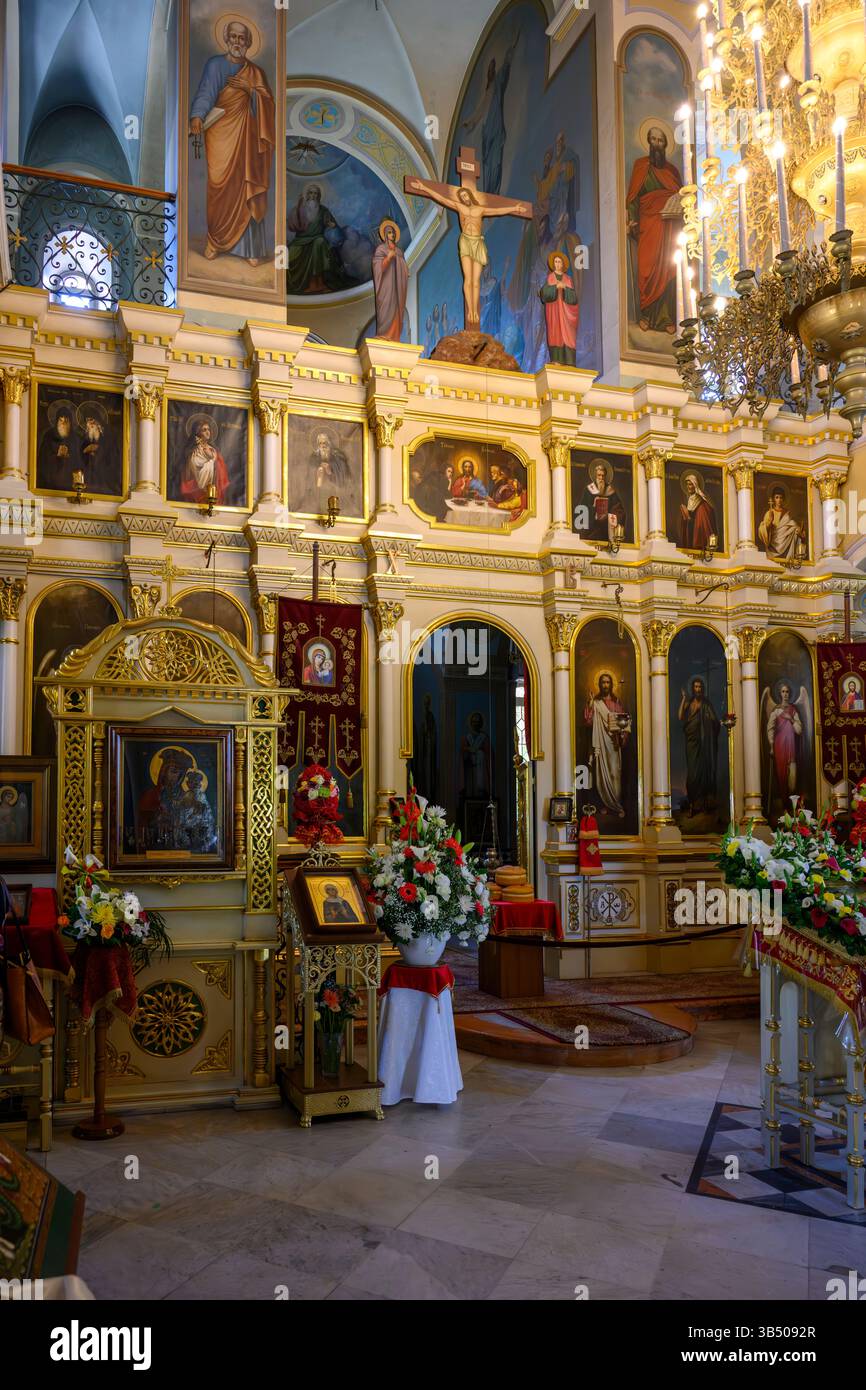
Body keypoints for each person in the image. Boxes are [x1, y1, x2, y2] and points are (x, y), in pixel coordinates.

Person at [188, 18, 275, 267]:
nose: (237, 41)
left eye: (242, 38)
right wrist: (197, 116)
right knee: (219, 185)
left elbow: (268, 106)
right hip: (220, 134)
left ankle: (250, 249)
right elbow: (206, 91)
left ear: (248, 42)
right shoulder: (215, 65)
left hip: (247, 137)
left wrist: (251, 89)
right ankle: (215, 241)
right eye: (234, 37)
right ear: (227, 39)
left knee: (246, 184)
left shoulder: (255, 73)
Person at [625, 126, 683, 334]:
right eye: (653, 140)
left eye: (660, 140)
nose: (657, 144)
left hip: (671, 227)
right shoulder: (641, 166)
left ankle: (668, 318)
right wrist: (631, 219)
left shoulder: (672, 171)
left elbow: (683, 197)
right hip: (649, 225)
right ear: (649, 142)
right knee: (647, 269)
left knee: (669, 268)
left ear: (665, 144)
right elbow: (633, 197)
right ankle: (647, 316)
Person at [461, 28, 520, 195]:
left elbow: (507, 64)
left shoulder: (498, 83)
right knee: (487, 162)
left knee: (495, 160)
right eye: (490, 69)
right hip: (488, 132)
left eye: (493, 68)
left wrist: (512, 46)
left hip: (496, 127)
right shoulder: (487, 93)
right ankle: (488, 191)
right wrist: (469, 122)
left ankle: (493, 190)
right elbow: (479, 112)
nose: (491, 71)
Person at [286, 184, 347, 293]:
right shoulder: (299, 209)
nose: (313, 196)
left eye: (315, 193)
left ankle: (316, 283)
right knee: (288, 256)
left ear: (319, 196)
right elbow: (291, 225)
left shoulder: (323, 211)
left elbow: (335, 228)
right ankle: (288, 284)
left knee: (319, 242)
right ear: (307, 195)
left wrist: (333, 226)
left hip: (317, 239)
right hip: (300, 240)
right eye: (311, 193)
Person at [584, 674, 629, 818]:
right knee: (602, 775)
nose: (605, 685)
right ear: (599, 684)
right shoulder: (596, 703)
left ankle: (616, 804)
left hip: (614, 743)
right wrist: (590, 704)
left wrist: (622, 735)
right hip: (601, 743)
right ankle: (606, 805)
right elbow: (589, 722)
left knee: (615, 774)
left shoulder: (617, 703)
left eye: (608, 682)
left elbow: (624, 722)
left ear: (611, 685)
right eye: (603, 682)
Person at [678, 677, 720, 816]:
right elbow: (680, 717)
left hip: (704, 743)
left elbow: (714, 721)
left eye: (700, 687)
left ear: (702, 688)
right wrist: (684, 698)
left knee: (703, 772)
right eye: (695, 687)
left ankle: (701, 804)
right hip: (692, 742)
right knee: (693, 774)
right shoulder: (689, 703)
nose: (698, 689)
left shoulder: (706, 704)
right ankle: (692, 803)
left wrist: (711, 722)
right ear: (692, 688)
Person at [765, 683, 806, 801]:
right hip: (779, 746)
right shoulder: (776, 710)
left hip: (791, 746)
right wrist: (771, 746)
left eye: (787, 691)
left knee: (792, 775)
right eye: (783, 691)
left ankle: (792, 802)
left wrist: (791, 719)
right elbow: (770, 728)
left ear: (789, 693)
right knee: (781, 774)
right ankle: (784, 803)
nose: (785, 694)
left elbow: (799, 730)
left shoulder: (793, 710)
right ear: (780, 693)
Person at [540, 250, 579, 366]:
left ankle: (569, 361)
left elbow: (574, 297)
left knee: (567, 334)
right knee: (555, 332)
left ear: (562, 264)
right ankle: (556, 359)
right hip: (554, 311)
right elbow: (544, 293)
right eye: (555, 262)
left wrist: (565, 289)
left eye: (559, 262)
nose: (557, 264)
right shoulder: (550, 278)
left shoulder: (567, 279)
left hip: (566, 312)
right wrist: (555, 287)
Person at [179, 415, 229, 504]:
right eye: (204, 430)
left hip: (212, 487)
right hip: (198, 486)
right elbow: (194, 464)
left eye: (208, 429)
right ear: (198, 432)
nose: (207, 432)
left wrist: (213, 460)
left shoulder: (213, 449)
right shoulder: (195, 450)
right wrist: (209, 462)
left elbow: (220, 466)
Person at [372, 220, 408, 341]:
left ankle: (394, 336)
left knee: (397, 307)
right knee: (386, 308)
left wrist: (399, 261)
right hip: (386, 286)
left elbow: (404, 266)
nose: (391, 235)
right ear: (385, 235)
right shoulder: (381, 249)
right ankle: (384, 334)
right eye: (389, 233)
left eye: (392, 233)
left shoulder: (399, 251)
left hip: (397, 285)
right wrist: (388, 258)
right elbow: (376, 266)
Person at [576, 459, 626, 543]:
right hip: (592, 530)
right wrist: (593, 506)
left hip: (606, 529)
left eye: (603, 476)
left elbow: (620, 511)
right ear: (595, 475)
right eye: (599, 475)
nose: (601, 478)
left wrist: (609, 515)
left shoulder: (611, 491)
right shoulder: (589, 490)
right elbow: (581, 510)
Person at [36, 399, 80, 491]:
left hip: (69, 482)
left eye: (66, 421)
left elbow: (79, 462)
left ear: (71, 423)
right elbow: (42, 460)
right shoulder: (49, 435)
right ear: (56, 421)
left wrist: (68, 456)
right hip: (50, 481)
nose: (63, 424)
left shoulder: (75, 439)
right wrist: (57, 455)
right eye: (61, 420)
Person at [758, 486, 807, 562]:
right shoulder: (769, 513)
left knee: (794, 528)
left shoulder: (787, 513)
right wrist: (769, 522)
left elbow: (791, 526)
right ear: (774, 499)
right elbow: (762, 530)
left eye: (781, 498)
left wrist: (799, 532)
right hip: (773, 546)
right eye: (777, 497)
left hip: (786, 543)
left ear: (783, 499)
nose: (779, 500)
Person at [678, 471, 718, 551]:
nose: (688, 487)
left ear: (695, 485)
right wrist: (685, 517)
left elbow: (701, 523)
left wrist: (689, 518)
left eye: (690, 484)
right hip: (691, 535)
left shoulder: (701, 503)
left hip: (698, 537)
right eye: (687, 484)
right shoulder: (690, 499)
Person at [461, 712, 491, 799]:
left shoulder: (484, 737)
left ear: (481, 723)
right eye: (474, 721)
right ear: (471, 723)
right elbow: (462, 753)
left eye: (478, 722)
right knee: (471, 790)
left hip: (481, 768)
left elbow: (489, 753)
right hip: (471, 769)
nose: (476, 724)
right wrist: (467, 750)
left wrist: (481, 752)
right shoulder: (467, 737)